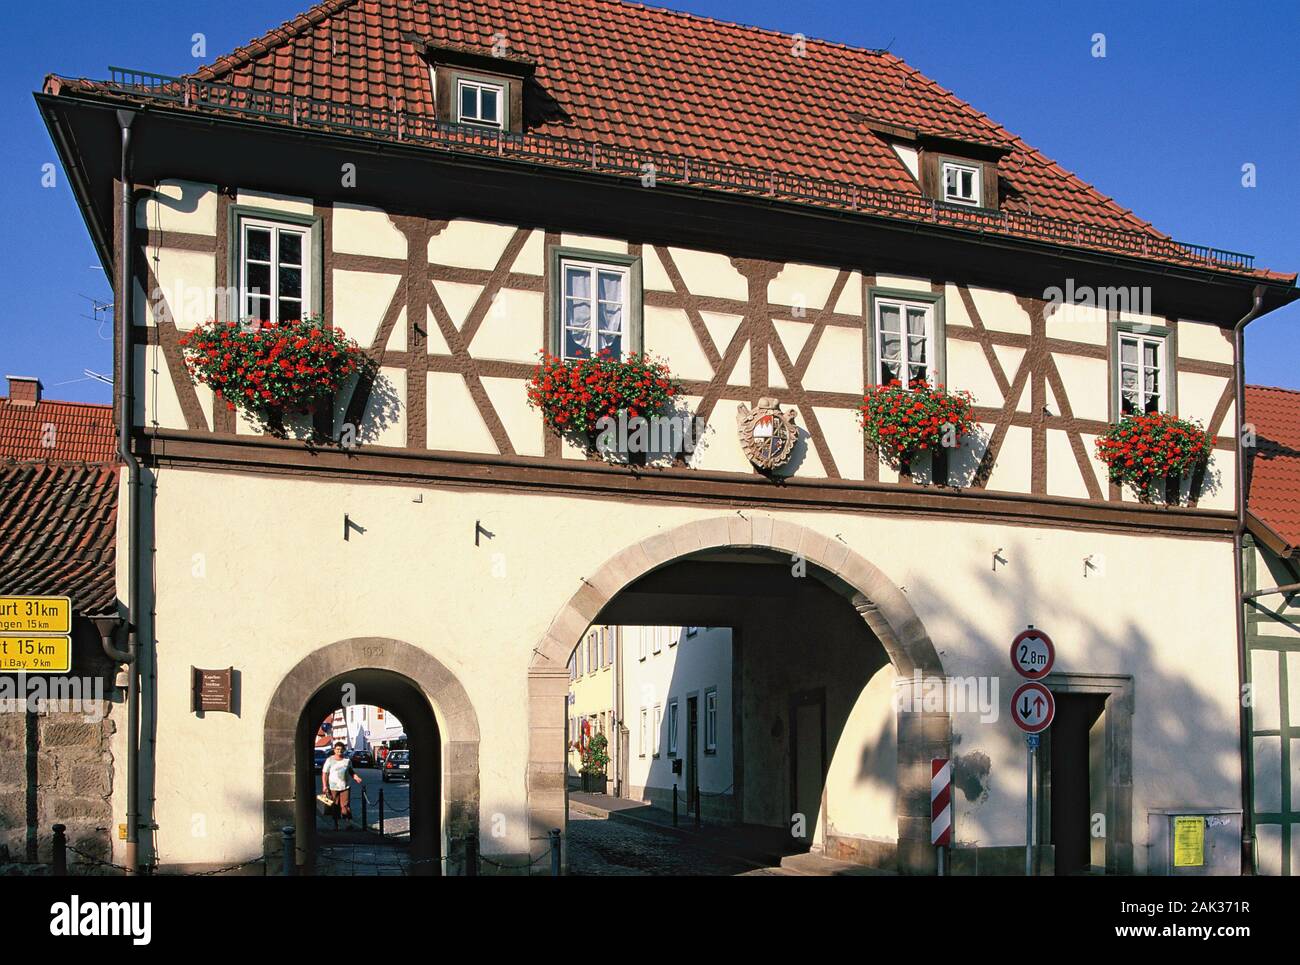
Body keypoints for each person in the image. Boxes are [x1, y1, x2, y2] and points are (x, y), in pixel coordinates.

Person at [321, 741, 362, 830]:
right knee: (335, 805)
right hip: (333, 787)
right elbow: (325, 773)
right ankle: (336, 824)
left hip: (345, 786)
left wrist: (356, 777)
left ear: (344, 750)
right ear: (334, 750)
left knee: (345, 805)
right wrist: (325, 786)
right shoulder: (330, 760)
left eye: (341, 749)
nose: (339, 751)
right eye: (337, 749)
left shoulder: (347, 760)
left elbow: (351, 771)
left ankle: (347, 823)